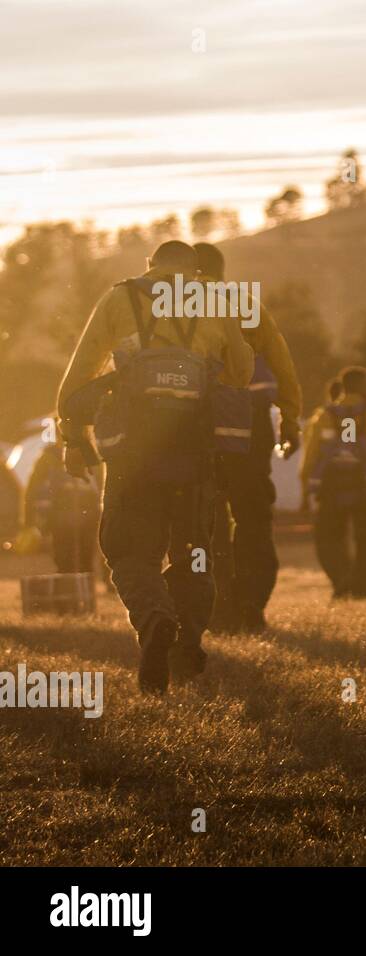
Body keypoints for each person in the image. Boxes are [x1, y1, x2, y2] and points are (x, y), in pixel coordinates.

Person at [57, 240, 254, 693]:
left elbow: (79, 376)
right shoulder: (215, 298)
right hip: (196, 450)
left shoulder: (120, 296)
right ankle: (186, 651)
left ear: (150, 265)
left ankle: (155, 620)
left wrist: (71, 437)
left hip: (133, 452)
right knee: (194, 553)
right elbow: (241, 373)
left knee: (129, 551)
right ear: (195, 268)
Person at [195, 242, 303, 634]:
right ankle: (252, 605)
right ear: (222, 271)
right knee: (253, 514)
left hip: (197, 424)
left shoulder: (174, 308)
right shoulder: (244, 304)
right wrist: (290, 419)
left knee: (207, 518)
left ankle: (219, 607)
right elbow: (282, 363)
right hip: (251, 420)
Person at [300, 366, 366, 599]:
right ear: (363, 386)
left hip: (331, 489)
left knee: (328, 539)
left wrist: (305, 493)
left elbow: (309, 459)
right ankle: (363, 588)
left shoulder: (323, 416)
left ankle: (341, 580)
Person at [20, 442, 101, 574]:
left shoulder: (89, 453)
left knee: (86, 557)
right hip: (62, 517)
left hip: (87, 515)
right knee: (64, 557)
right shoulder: (49, 456)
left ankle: (84, 589)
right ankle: (69, 586)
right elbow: (32, 488)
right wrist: (28, 521)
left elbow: (99, 484)